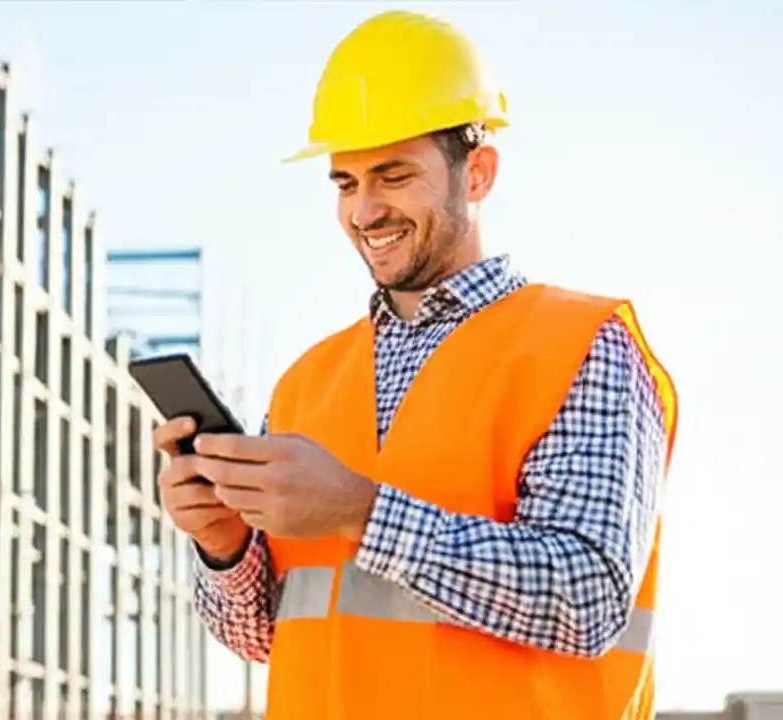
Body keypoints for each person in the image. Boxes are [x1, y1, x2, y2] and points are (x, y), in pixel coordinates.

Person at [153, 9, 678, 720]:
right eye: (345, 183)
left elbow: (587, 599)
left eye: (393, 176)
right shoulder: (306, 382)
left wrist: (360, 511)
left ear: (478, 173)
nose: (365, 211)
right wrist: (224, 545)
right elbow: (259, 636)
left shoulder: (582, 344)